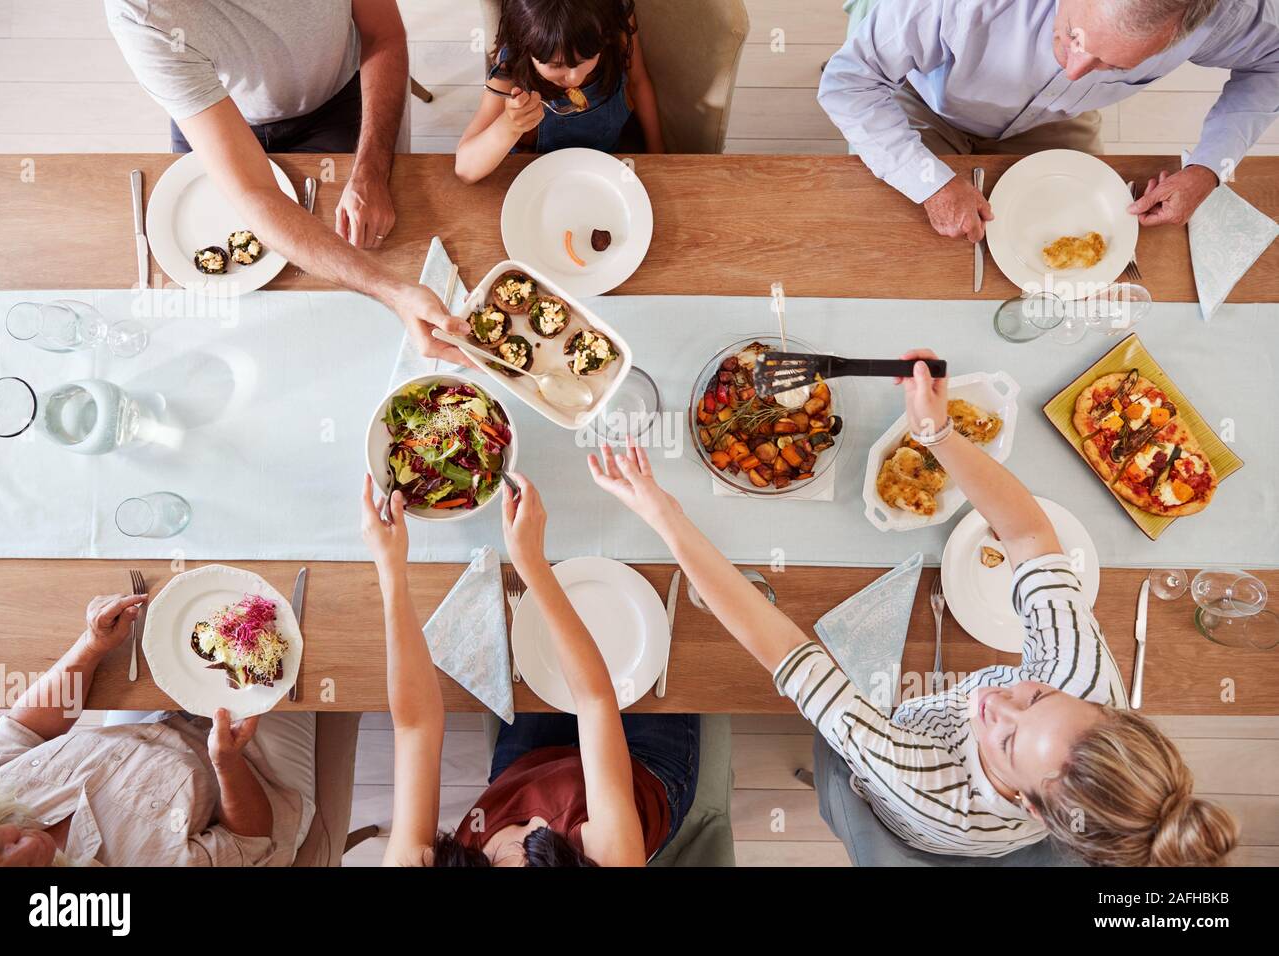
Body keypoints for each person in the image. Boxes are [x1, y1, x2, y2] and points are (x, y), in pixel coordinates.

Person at [586, 355, 1239, 866]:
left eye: (1008, 739)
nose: (998, 701)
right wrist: (938, 433)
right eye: (1036, 694)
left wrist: (662, 517)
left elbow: (786, 652)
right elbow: (1033, 540)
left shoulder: (925, 781)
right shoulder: (1089, 686)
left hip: (908, 798)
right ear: (1103, 707)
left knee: (849, 760)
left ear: (1037, 816)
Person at [363, 474, 698, 867]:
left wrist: (391, 571)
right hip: (645, 767)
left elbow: (415, 726)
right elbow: (594, 701)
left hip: (527, 773)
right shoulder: (613, 859)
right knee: (674, 640)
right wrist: (532, 565)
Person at [104, 0, 464, 364]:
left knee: (383, 240)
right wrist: (395, 292)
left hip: (341, 95)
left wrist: (370, 170)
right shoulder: (142, 15)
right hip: (222, 112)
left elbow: (382, 34)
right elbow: (254, 191)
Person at [820, 0, 1279, 242]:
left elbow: (1273, 61)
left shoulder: (1229, 15)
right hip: (920, 97)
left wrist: (1209, 168)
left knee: (1079, 238)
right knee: (905, 242)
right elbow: (849, 81)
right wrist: (932, 184)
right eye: (1075, 37)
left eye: (1114, 66)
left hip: (1056, 118)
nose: (1074, 68)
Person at [0, 593, 316, 866]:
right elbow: (249, 840)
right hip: (256, 771)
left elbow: (25, 728)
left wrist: (92, 645)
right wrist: (227, 761)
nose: (26, 847)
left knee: (176, 609)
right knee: (302, 637)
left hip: (146, 734)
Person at [456, 0, 664, 184]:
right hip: (534, 179)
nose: (574, 78)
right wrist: (509, 126)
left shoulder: (615, 24)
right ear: (524, 46)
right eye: (556, 65)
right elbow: (465, 170)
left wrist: (659, 157)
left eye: (585, 60)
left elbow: (638, 83)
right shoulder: (510, 70)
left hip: (604, 172)